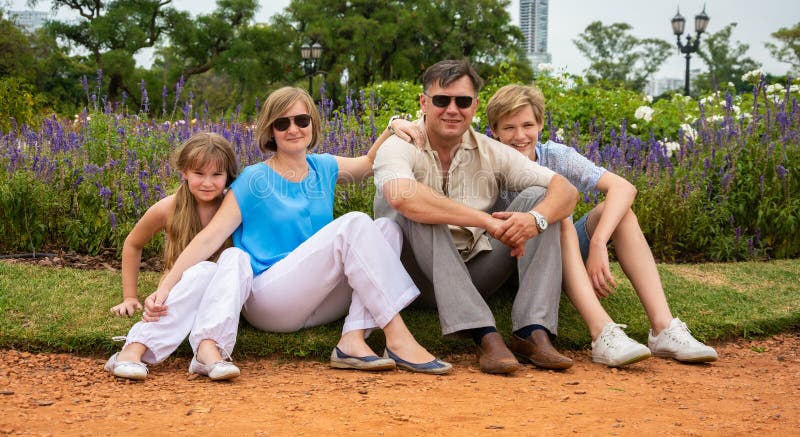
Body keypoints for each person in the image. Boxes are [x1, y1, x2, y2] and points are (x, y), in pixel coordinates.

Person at [144, 87, 451, 375]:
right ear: (270, 130)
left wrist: (392, 125)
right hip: (270, 299)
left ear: (312, 124)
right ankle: (397, 337)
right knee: (356, 222)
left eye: (301, 120)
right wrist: (167, 285)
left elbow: (369, 163)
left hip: (319, 299)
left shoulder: (324, 167)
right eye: (282, 123)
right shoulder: (254, 179)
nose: (293, 129)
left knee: (387, 229)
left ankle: (352, 339)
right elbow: (209, 237)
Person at [373, 58, 580, 375]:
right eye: (442, 100)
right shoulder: (400, 144)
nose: (452, 109)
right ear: (424, 102)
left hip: (473, 271)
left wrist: (534, 219)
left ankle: (532, 331)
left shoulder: (490, 150)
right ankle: (485, 333)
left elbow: (565, 190)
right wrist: (485, 221)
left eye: (463, 101)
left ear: (475, 106)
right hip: (410, 278)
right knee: (419, 207)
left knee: (539, 198)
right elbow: (402, 196)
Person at [485, 84, 718, 364]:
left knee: (619, 212)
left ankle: (663, 327)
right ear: (494, 131)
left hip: (559, 256)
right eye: (509, 128)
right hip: (507, 262)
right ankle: (602, 332)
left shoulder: (555, 155)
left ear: (541, 124)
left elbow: (624, 188)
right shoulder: (486, 163)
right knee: (558, 209)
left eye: (527, 125)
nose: (520, 136)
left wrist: (598, 243)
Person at [105, 132, 243, 381]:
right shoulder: (169, 207)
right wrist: (129, 296)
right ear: (185, 172)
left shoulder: (233, 207)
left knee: (232, 259)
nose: (208, 183)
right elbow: (133, 244)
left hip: (222, 294)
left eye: (217, 175)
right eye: (199, 174)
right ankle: (133, 350)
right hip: (182, 287)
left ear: (228, 176)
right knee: (204, 270)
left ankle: (208, 351)